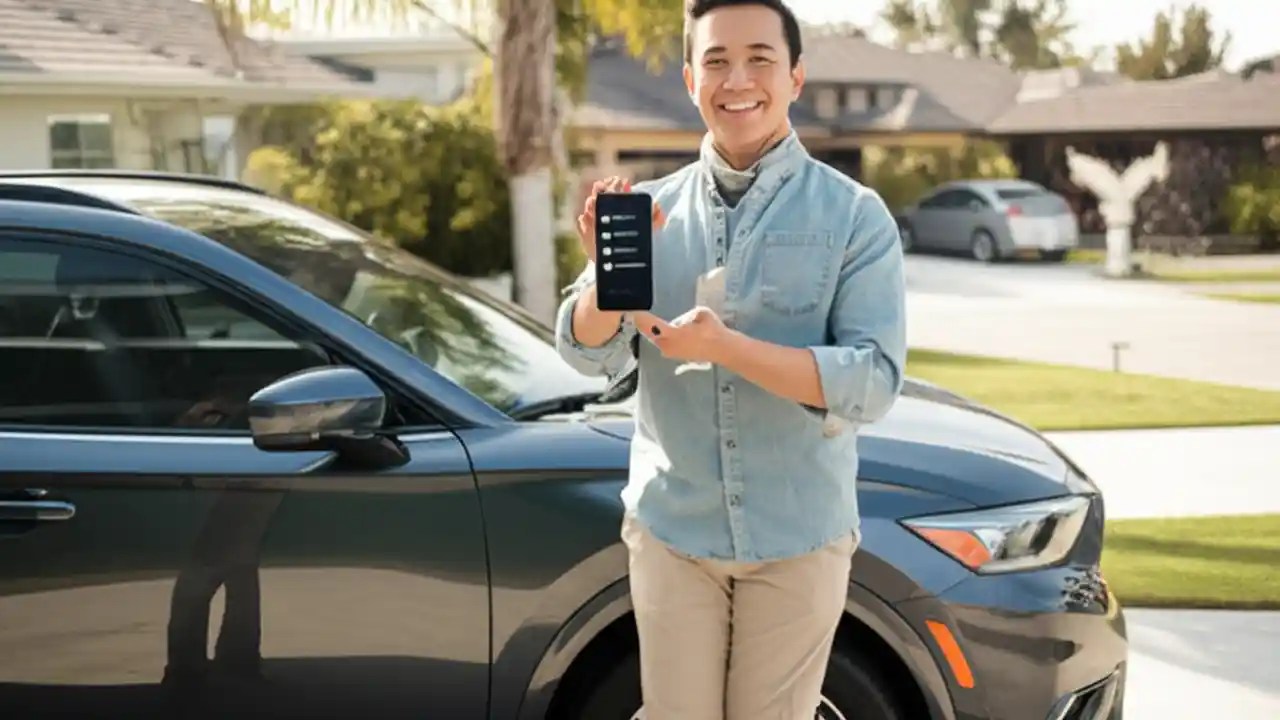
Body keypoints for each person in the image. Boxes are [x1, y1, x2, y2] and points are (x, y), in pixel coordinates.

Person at [554, 0, 907, 717]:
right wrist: (608, 281)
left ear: (796, 76)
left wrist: (725, 348)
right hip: (672, 533)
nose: (737, 80)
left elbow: (871, 381)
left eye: (759, 59)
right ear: (690, 79)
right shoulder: (648, 210)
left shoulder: (854, 216)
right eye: (716, 61)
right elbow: (584, 350)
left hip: (799, 536)